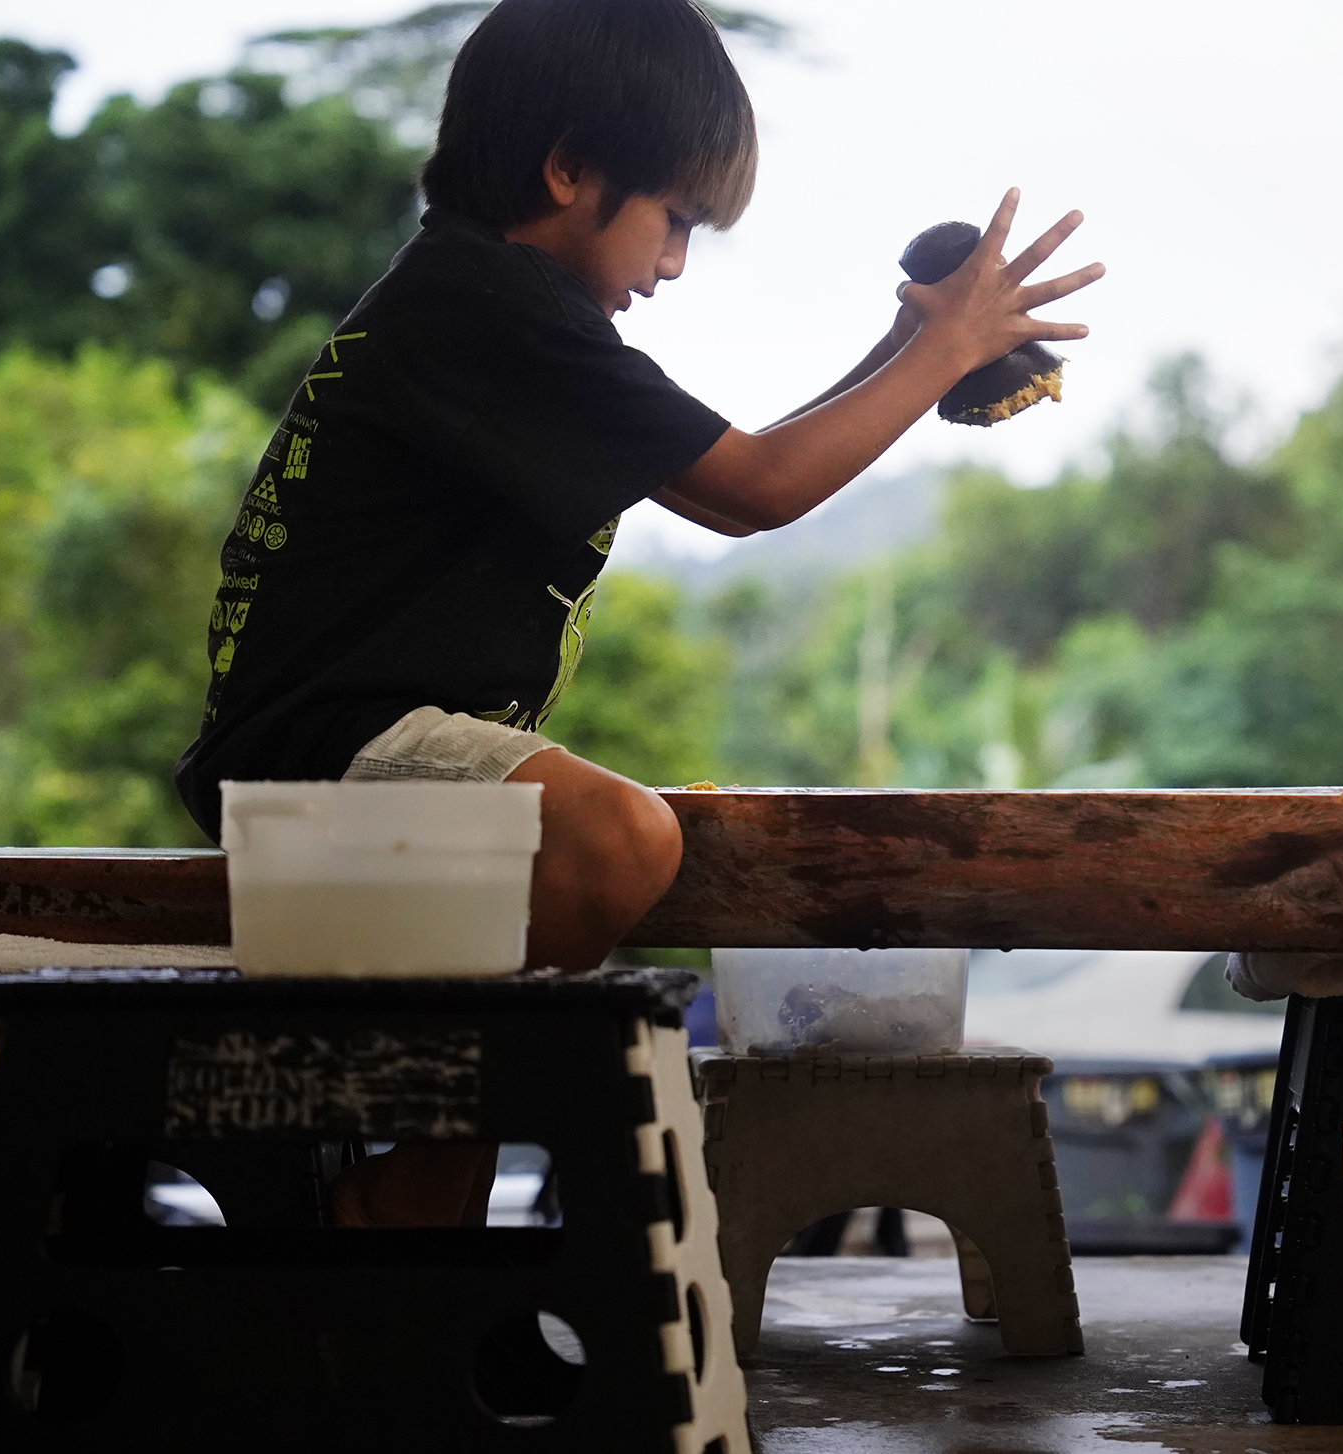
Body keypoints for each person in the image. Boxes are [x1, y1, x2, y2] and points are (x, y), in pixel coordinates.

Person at [172, 0, 1104, 1226]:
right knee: (620, 840)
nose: (670, 268)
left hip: (340, 753)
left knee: (629, 838)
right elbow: (756, 492)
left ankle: (427, 1190)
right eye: (672, 222)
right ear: (568, 170)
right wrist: (944, 354)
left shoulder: (487, 301)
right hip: (324, 759)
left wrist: (909, 341)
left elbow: (743, 463)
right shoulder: (486, 304)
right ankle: (413, 1186)